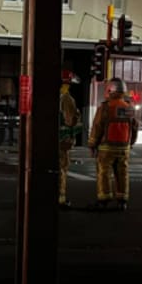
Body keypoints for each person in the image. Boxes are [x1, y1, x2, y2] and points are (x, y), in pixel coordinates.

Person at [87, 77, 138, 210]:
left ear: (111, 90)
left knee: (104, 173)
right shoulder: (129, 107)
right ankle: (122, 201)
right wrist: (130, 143)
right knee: (122, 173)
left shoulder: (105, 107)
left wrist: (92, 144)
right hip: (124, 148)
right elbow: (134, 128)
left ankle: (103, 199)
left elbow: (97, 127)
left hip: (106, 148)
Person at [58, 69, 82, 209]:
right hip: (63, 140)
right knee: (61, 169)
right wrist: (77, 116)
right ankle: (60, 199)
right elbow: (71, 120)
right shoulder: (67, 99)